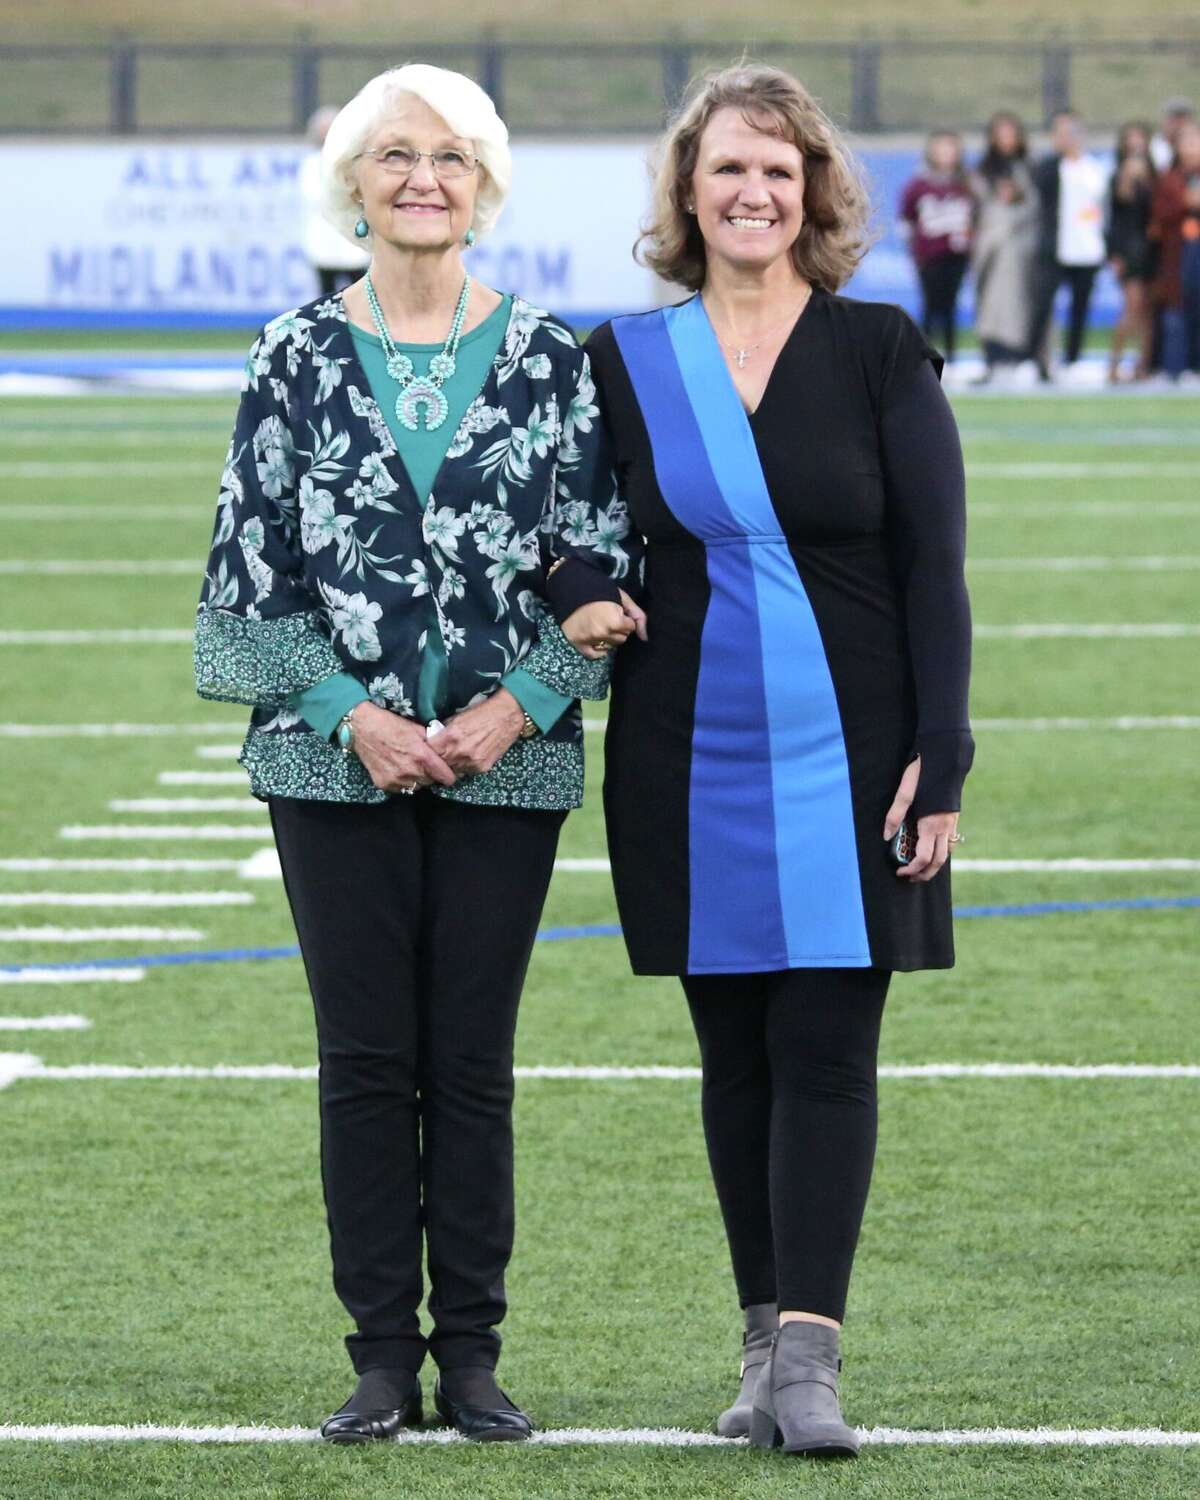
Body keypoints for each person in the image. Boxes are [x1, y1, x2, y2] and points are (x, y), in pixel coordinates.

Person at [194, 63, 643, 1445]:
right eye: (395, 155)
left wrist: (517, 708)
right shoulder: (291, 354)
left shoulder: (553, 357)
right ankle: (383, 1356)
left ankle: (476, 1356)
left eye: (451, 156)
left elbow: (605, 561)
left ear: (485, 184)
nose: (423, 178)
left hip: (510, 762)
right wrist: (357, 717)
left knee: (472, 1066)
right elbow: (246, 575)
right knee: (364, 1061)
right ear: (353, 181)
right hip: (330, 763)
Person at [582, 64, 973, 1459]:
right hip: (684, 754)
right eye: (728, 170)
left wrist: (942, 755)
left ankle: (811, 1361)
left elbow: (936, 567)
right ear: (689, 195)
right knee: (735, 1055)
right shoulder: (626, 359)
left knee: (826, 1047)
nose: (754, 193)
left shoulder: (879, 347)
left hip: (852, 755)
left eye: (778, 171)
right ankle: (759, 1347)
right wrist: (579, 586)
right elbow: (567, 528)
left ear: (813, 194)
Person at [1027, 109, 1108, 381]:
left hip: (1088, 250)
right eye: (1060, 133)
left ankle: (1073, 359)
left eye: (1071, 132)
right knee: (1042, 306)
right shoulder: (1048, 167)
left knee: (1080, 307)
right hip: (1055, 249)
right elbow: (1038, 189)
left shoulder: (1095, 168)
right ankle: (1034, 360)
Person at [968, 111, 1039, 383]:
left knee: (1017, 305)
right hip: (989, 248)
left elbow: (1033, 207)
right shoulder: (983, 171)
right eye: (1001, 134)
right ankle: (992, 356)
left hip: (1020, 249)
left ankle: (1018, 356)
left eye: (1010, 133)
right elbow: (977, 209)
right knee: (989, 305)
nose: (1006, 139)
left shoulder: (1028, 168)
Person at [898, 130, 975, 363]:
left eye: (950, 148)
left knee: (951, 305)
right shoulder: (919, 185)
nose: (945, 154)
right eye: (941, 148)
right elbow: (906, 219)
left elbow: (975, 216)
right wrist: (914, 250)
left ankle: (951, 357)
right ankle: (926, 358)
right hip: (929, 256)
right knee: (931, 305)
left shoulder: (966, 183)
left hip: (957, 255)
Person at [1148, 119, 1200, 382]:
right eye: (1186, 142)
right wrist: (1185, 203)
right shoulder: (1169, 179)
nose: (1191, 147)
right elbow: (1159, 216)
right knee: (1176, 310)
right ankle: (1175, 367)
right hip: (1178, 253)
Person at [1106, 121, 1158, 382]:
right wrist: (1114, 254)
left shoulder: (1154, 175)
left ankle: (1142, 366)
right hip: (1129, 250)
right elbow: (1116, 216)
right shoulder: (1118, 176)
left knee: (1147, 311)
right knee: (1132, 306)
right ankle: (1114, 365)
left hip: (1151, 249)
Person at [300, 106, 369, 297]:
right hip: (323, 244)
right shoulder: (311, 163)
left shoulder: (355, 162)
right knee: (326, 298)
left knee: (361, 295)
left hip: (353, 247)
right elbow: (313, 197)